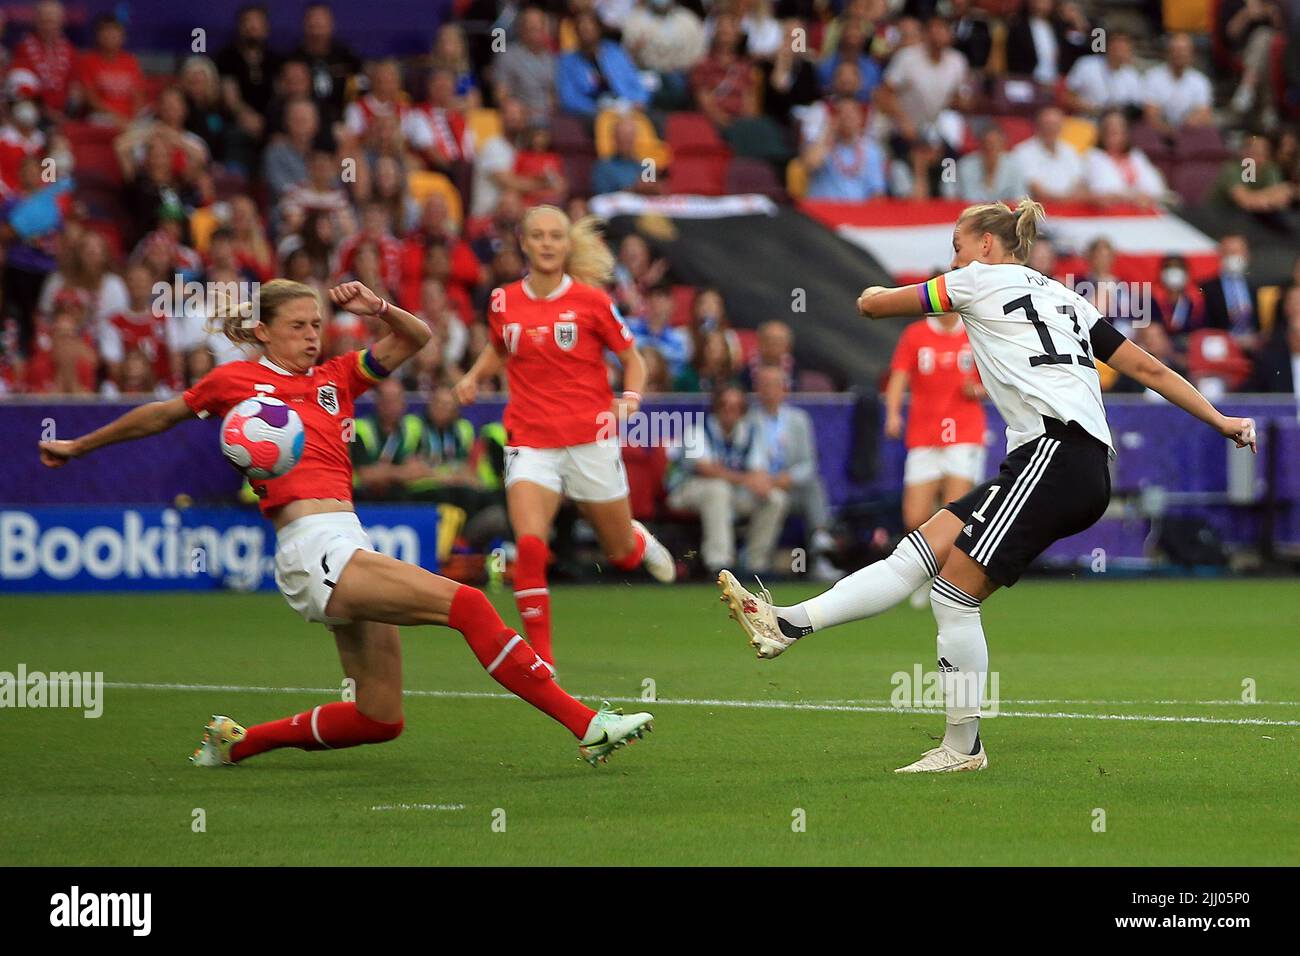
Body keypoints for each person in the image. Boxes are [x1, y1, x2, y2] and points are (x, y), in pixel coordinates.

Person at [717, 198, 1256, 773]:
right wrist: (1221, 420)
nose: (952, 257)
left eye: (956, 244)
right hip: (1060, 462)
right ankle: (790, 624)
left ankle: (962, 747)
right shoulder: (1065, 297)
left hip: (1055, 456)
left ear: (984, 246)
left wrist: (869, 295)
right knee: (916, 555)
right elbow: (1147, 368)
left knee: (953, 594)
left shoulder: (974, 279)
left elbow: (876, 306)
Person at [38, 279, 653, 767]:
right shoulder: (236, 382)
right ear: (262, 330)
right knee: (467, 604)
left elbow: (416, 338)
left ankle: (237, 743)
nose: (312, 336)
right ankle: (587, 724)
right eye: (297, 326)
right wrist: (79, 446)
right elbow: (159, 417)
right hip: (309, 547)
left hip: (346, 540)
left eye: (316, 324)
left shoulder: (337, 378)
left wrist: (379, 306)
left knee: (379, 718)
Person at [455, 206, 676, 668]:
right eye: (538, 235)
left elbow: (632, 359)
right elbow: (499, 347)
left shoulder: (592, 302)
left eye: (556, 235)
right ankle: (542, 659)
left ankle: (638, 541)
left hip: (589, 438)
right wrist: (475, 376)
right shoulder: (502, 301)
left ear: (567, 244)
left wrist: (631, 398)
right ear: (524, 242)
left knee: (620, 556)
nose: (548, 243)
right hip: (530, 440)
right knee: (531, 543)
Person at [885, 311, 987, 607]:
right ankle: (925, 573)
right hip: (925, 435)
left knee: (954, 517)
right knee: (914, 518)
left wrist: (979, 390)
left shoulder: (973, 330)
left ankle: (948, 585)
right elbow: (898, 375)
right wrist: (892, 413)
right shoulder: (915, 334)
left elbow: (995, 379)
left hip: (964, 434)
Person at [668, 384, 787, 574]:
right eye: (725, 405)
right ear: (716, 407)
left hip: (732, 492)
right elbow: (704, 468)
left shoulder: (750, 432)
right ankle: (719, 563)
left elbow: (758, 468)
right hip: (685, 491)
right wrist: (747, 479)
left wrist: (762, 483)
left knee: (775, 498)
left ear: (743, 411)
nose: (730, 411)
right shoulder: (698, 430)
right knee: (717, 488)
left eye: (736, 407)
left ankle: (756, 564)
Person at [749, 365, 837, 580]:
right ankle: (754, 564)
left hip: (789, 486)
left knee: (812, 484)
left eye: (775, 385)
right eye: (765, 385)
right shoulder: (748, 420)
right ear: (757, 389)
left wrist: (788, 478)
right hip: (759, 488)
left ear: (785, 389)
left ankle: (821, 541)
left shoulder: (799, 419)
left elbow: (809, 462)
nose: (770, 391)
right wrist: (764, 479)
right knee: (775, 497)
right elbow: (748, 459)